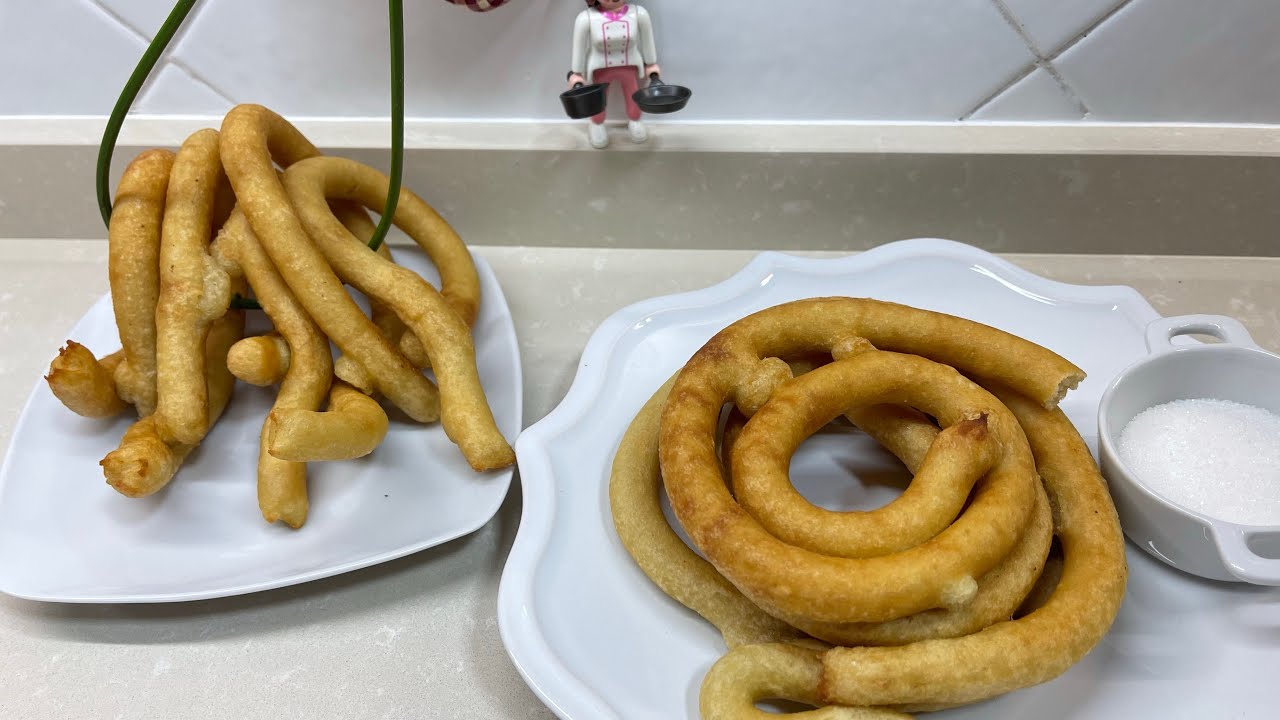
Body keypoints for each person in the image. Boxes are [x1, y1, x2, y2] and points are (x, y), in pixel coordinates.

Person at [567, 0, 661, 149]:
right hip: (600, 67)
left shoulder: (639, 14)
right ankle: (597, 124)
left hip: (629, 64)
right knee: (598, 98)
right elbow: (578, 47)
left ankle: (635, 120)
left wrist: (651, 63)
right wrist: (577, 72)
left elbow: (648, 40)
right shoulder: (586, 18)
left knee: (633, 94)